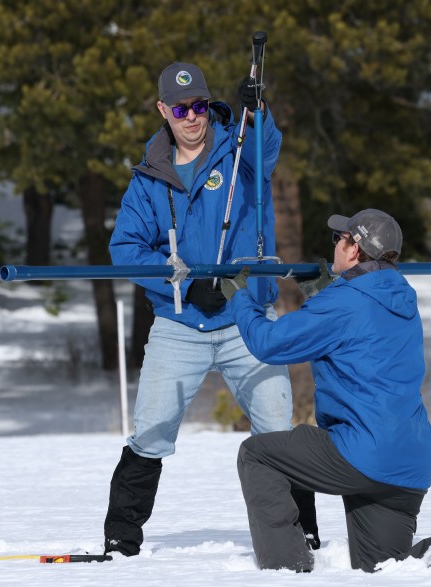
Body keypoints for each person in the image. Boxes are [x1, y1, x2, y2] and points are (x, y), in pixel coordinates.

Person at [221, 208, 431, 572]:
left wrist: (238, 298)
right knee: (386, 569)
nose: (334, 244)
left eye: (339, 238)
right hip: (408, 463)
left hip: (361, 453)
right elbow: (357, 328)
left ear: (354, 250)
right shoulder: (402, 296)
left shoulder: (344, 303)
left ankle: (287, 574)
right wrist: (324, 296)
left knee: (258, 455)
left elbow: (269, 344)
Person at [103, 61, 312, 557]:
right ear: (163, 110)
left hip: (248, 320)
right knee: (149, 431)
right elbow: (126, 248)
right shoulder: (149, 178)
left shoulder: (240, 151)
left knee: (278, 432)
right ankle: (120, 541)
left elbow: (267, 148)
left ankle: (304, 537)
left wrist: (257, 110)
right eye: (180, 108)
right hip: (180, 323)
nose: (192, 117)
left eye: (199, 105)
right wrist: (184, 282)